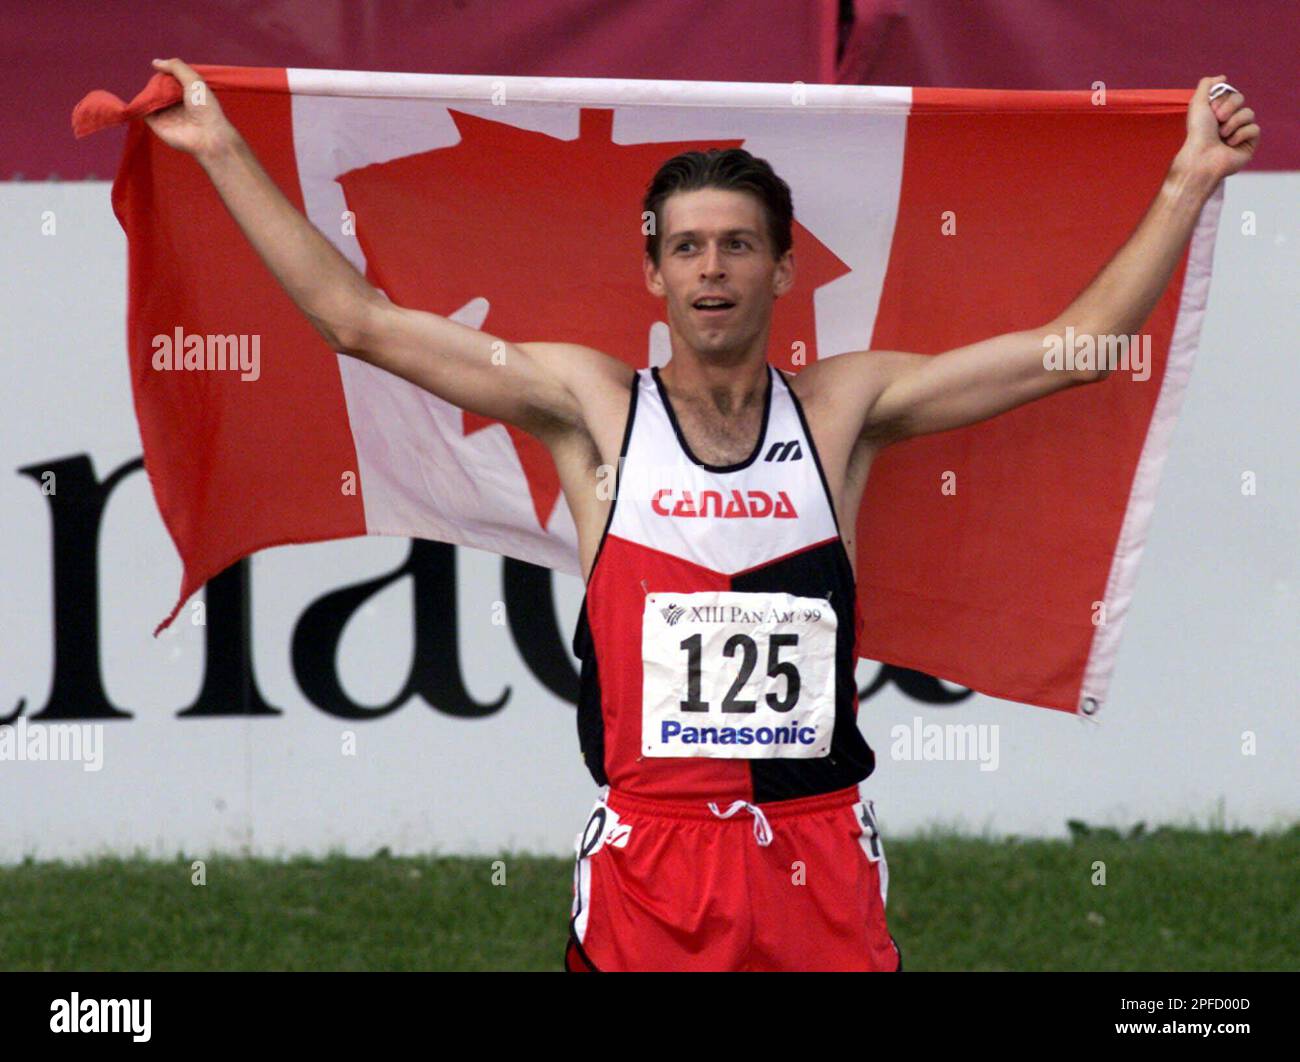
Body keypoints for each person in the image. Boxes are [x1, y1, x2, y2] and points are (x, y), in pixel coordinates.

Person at [143, 58, 1259, 971]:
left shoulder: (845, 408)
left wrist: (1187, 180)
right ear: (653, 275)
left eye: (736, 245)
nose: (710, 269)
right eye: (685, 248)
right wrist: (221, 147)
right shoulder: (588, 408)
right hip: (652, 867)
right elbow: (360, 324)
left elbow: (1072, 353)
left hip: (817, 854)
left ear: (780, 269)